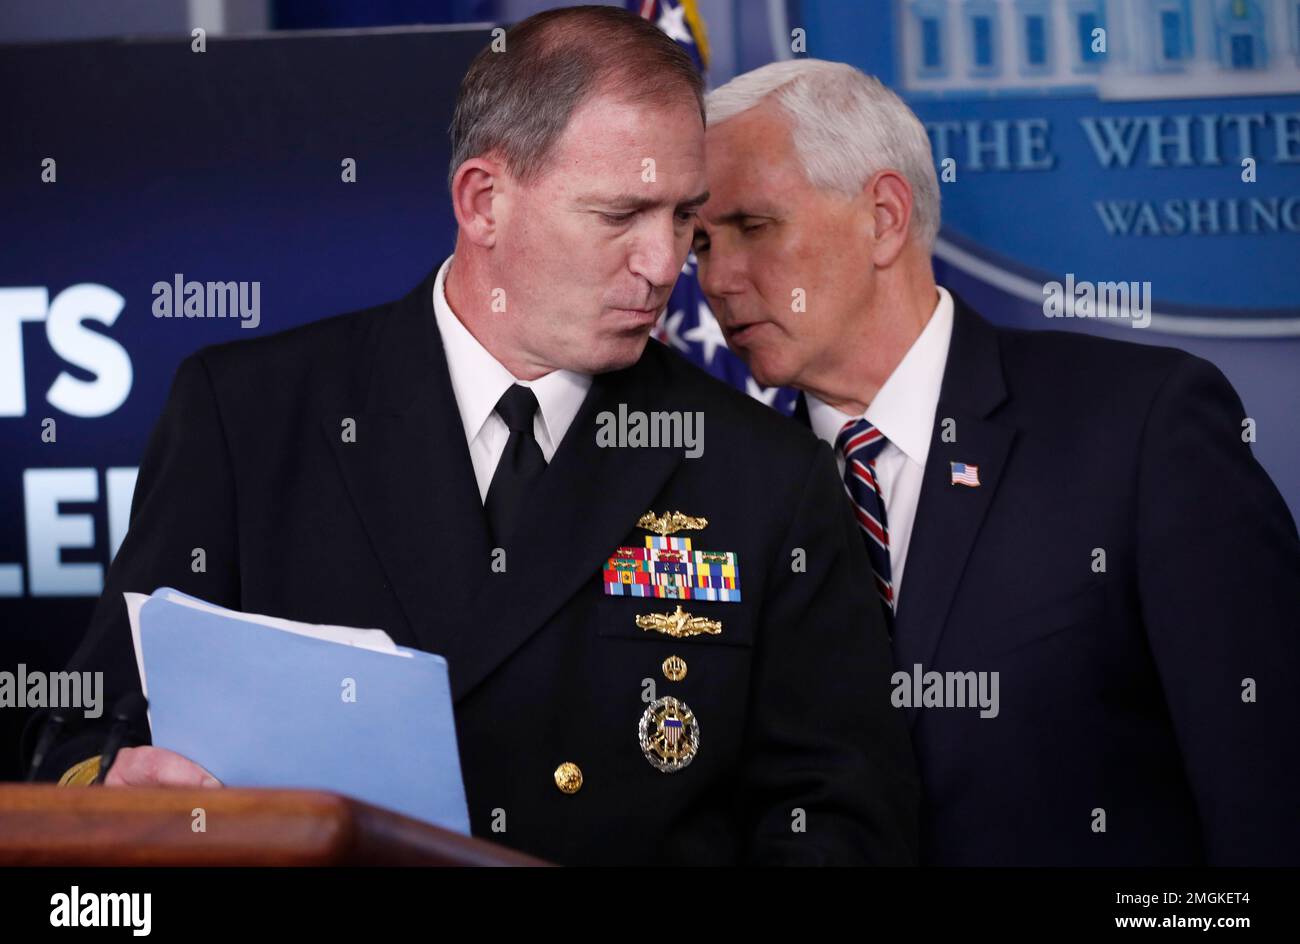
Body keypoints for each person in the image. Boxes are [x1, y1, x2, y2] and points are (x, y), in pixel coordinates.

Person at [29, 9, 917, 866]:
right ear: (483, 199)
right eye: (620, 216)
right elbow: (93, 718)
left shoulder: (762, 473)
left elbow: (836, 813)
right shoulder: (250, 415)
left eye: (684, 217)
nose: (663, 266)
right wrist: (112, 777)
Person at [692, 58, 1300, 865]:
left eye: (753, 227)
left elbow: (1268, 793)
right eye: (698, 242)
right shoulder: (717, 486)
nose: (717, 279)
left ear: (882, 216)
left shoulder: (1140, 427)